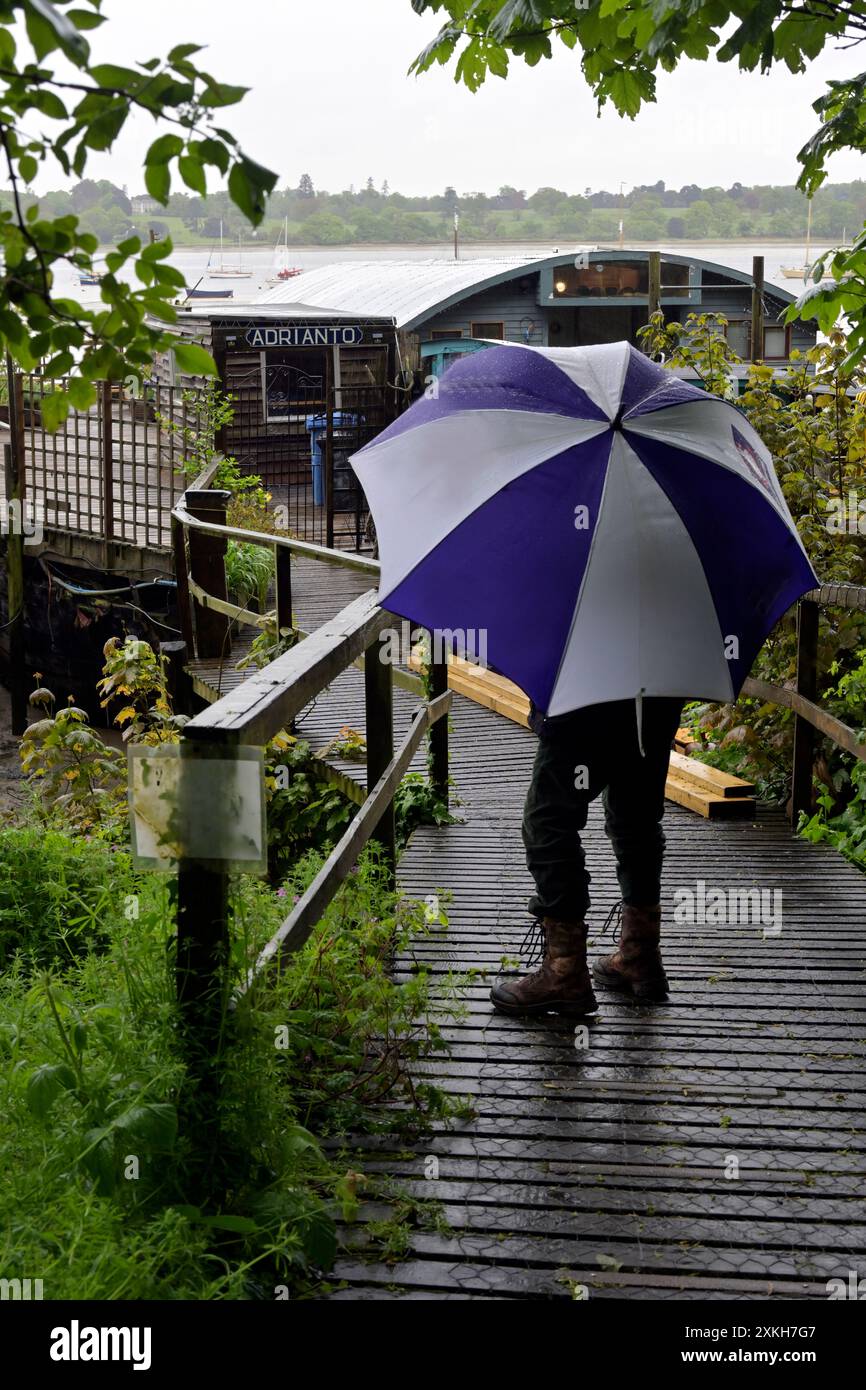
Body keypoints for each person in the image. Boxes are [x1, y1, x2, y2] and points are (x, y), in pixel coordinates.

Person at [490, 695, 685, 1017]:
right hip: (656, 699)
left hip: (584, 702)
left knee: (548, 822)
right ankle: (641, 954)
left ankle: (564, 970)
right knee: (637, 820)